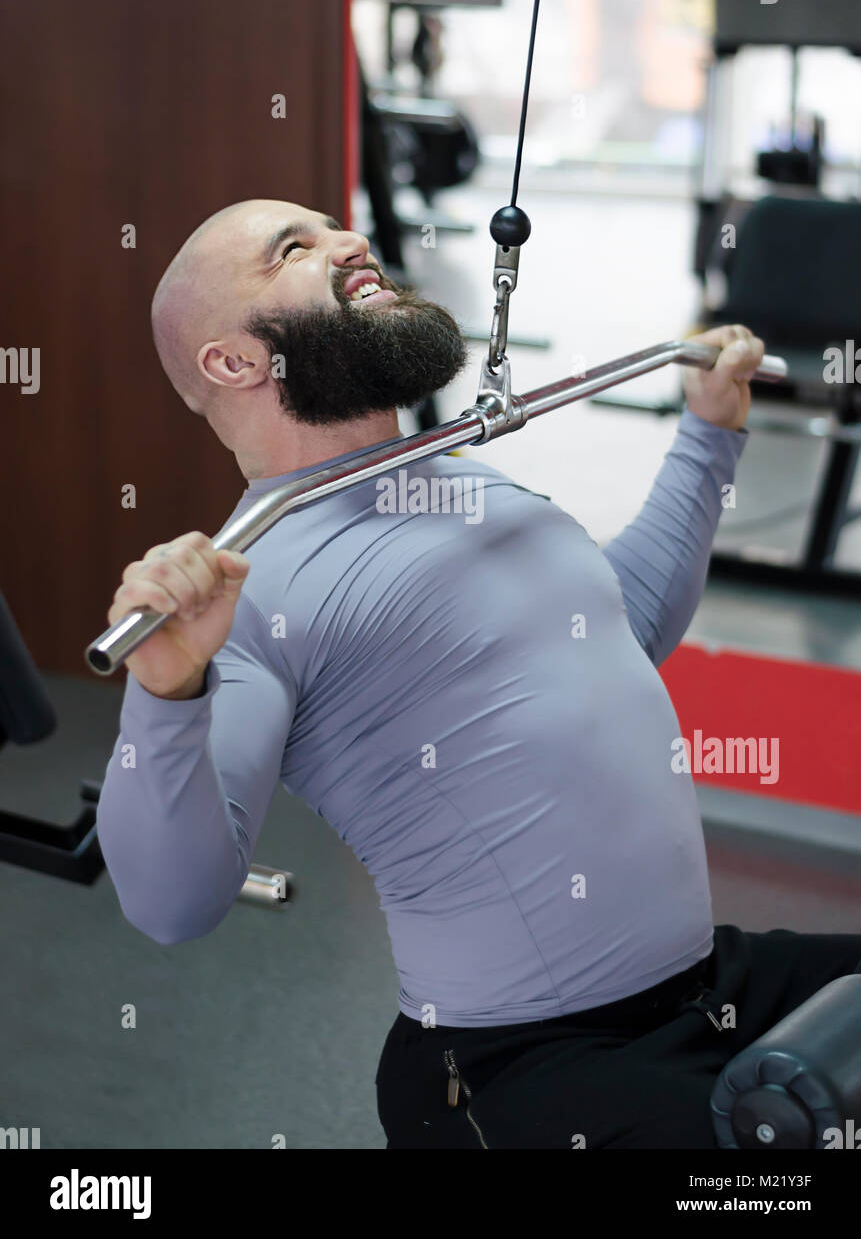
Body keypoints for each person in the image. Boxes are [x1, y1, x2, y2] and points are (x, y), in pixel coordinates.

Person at [96, 198, 861, 1149]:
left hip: (705, 985)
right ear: (237, 360)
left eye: (337, 227)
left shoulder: (463, 482)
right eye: (294, 249)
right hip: (519, 1066)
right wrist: (164, 694)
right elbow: (172, 905)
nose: (349, 241)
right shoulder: (256, 585)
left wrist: (710, 436)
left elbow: (622, 626)